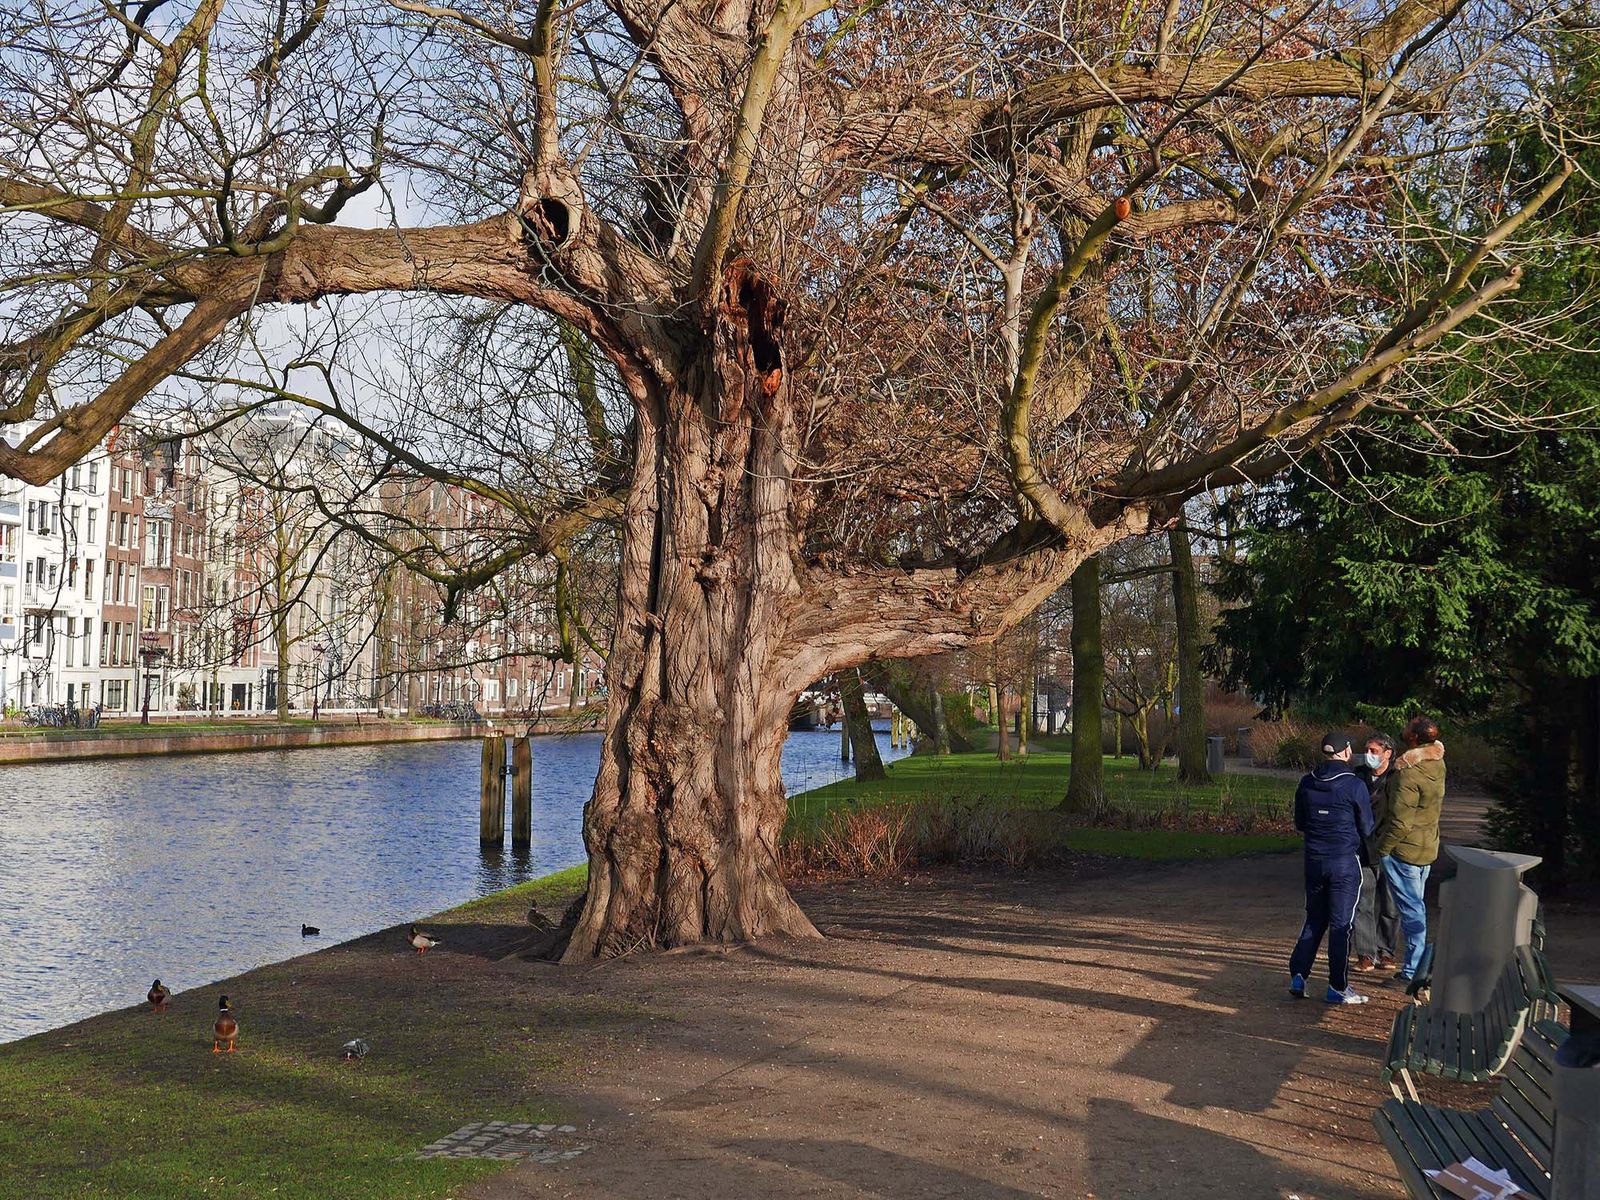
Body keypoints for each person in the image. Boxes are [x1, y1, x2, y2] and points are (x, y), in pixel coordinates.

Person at [1288, 731, 1374, 1004]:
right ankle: (1338, 985)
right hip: (1344, 863)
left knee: (1314, 919)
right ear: (1346, 752)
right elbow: (1367, 826)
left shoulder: (1307, 782)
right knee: (1341, 924)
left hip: (1314, 860)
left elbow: (1300, 822)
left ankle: (1298, 975)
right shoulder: (1354, 784)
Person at [1376, 715, 1447, 984]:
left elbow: (1400, 821)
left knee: (1412, 911)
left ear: (1414, 737)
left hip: (1404, 850)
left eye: (1409, 726)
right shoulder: (1437, 763)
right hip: (1426, 845)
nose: (1404, 727)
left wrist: (1383, 849)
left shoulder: (1408, 773)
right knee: (1416, 908)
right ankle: (1417, 967)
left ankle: (1412, 971)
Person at [1352, 732, 1401, 972]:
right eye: (1367, 750)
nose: (1368, 755)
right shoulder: (1357, 776)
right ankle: (1366, 954)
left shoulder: (1397, 777)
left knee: (1390, 905)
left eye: (1374, 751)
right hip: (1363, 847)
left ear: (1387, 753)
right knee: (1363, 903)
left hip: (1390, 850)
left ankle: (1387, 952)